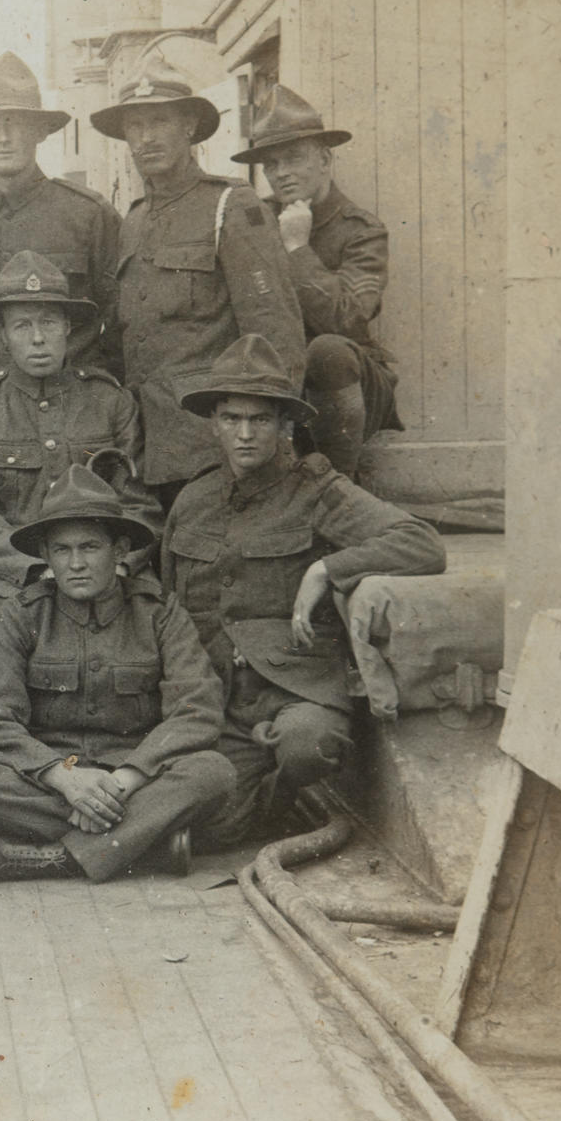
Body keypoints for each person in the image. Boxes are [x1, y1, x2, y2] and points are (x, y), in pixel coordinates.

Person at [162, 335, 446, 842]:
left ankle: (280, 800)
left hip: (296, 692)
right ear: (214, 425)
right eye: (232, 419)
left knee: (307, 746)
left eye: (260, 420)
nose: (245, 434)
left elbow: (420, 543)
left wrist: (327, 570)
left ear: (285, 424)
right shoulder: (193, 500)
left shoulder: (315, 489)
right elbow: (169, 606)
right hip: (219, 699)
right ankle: (271, 812)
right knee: (206, 821)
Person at [0, 465, 236, 883]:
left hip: (133, 776)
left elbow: (197, 710)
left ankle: (53, 860)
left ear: (119, 550)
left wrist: (124, 781)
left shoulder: (159, 613)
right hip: (52, 778)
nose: (76, 563)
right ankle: (141, 844)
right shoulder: (22, 615)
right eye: (62, 550)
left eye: (90, 547)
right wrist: (64, 778)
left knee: (213, 772)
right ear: (46, 555)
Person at [90, 67, 306, 499]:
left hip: (213, 446)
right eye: (135, 125)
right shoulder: (131, 221)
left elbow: (274, 331)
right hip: (147, 448)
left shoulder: (231, 204)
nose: (146, 137)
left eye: (160, 121)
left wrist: (272, 442)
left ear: (189, 127)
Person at [0, 250, 143, 621]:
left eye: (49, 322)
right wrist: (39, 569)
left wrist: (118, 566)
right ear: (3, 335)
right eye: (22, 326)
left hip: (103, 573)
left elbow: (139, 505)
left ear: (68, 326)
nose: (38, 338)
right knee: (5, 621)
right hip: (14, 578)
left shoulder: (109, 400)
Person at [235, 83, 401, 480]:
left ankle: (338, 485)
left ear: (325, 160)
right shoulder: (258, 220)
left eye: (293, 158)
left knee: (326, 351)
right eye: (271, 165)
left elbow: (349, 319)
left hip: (347, 378)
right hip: (279, 368)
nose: (282, 173)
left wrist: (296, 247)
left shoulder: (361, 229)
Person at [0, 52, 120, 389]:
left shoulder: (88, 215)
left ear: (40, 131)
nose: (4, 137)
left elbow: (118, 320)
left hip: (73, 411)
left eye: (17, 123)